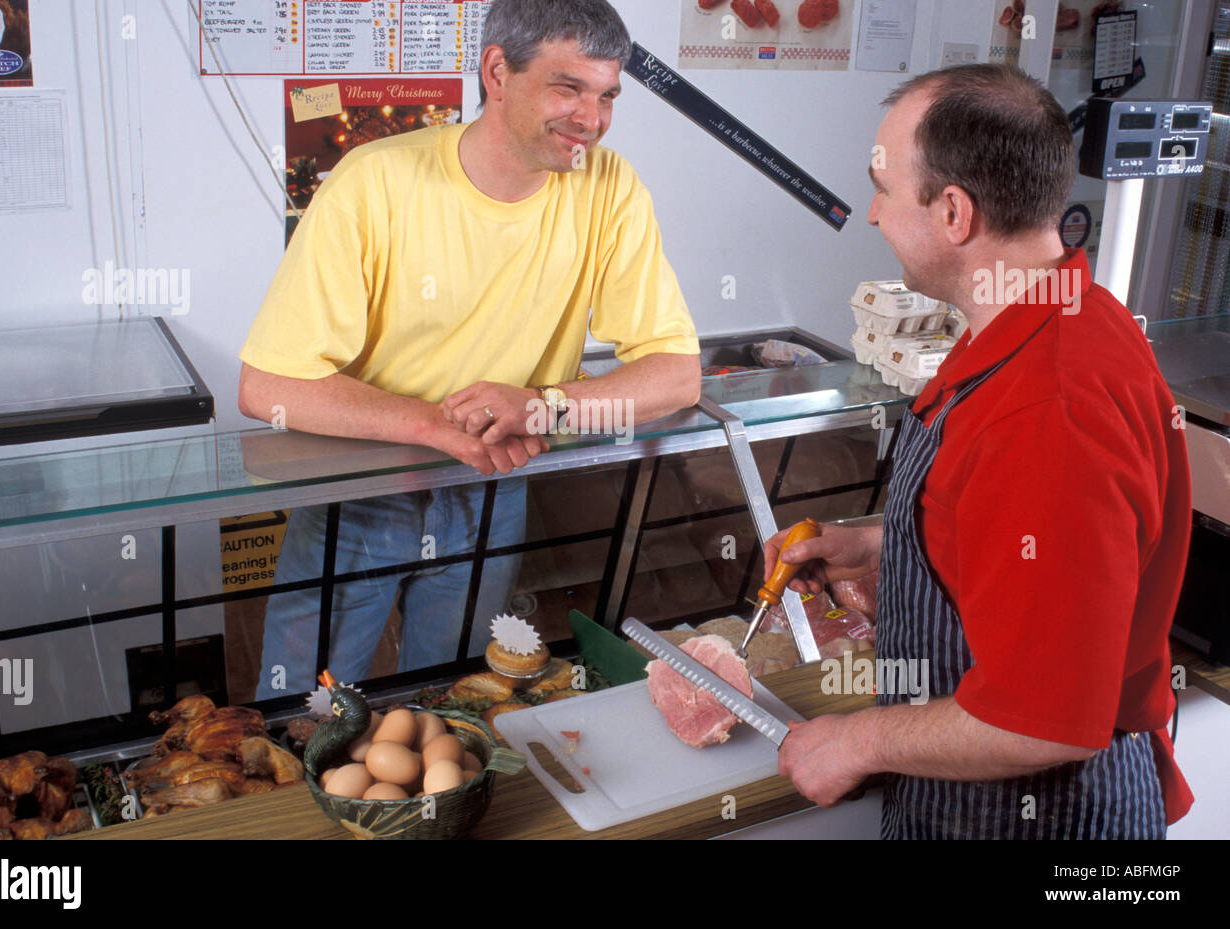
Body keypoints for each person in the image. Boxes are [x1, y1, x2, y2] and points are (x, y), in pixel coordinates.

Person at [765, 64, 1194, 839]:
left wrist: (856, 738)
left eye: (886, 189)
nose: (871, 213)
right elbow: (1015, 537)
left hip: (1045, 821)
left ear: (954, 213)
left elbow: (1048, 722)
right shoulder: (1052, 318)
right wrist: (878, 544)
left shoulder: (1047, 408)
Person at [238, 0, 701, 698]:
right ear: (496, 72)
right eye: (568, 87)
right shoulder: (374, 180)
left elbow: (678, 376)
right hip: (363, 487)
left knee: (451, 702)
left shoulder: (611, 189)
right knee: (305, 706)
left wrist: (543, 408)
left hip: (494, 490)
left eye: (607, 95)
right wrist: (433, 426)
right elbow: (269, 386)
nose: (593, 118)